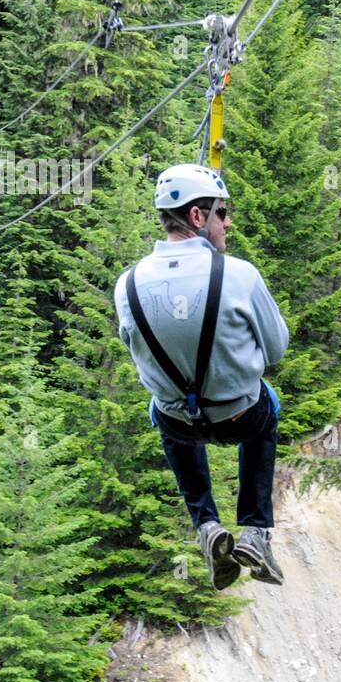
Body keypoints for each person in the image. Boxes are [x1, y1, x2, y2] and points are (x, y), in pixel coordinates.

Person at [113, 163, 290, 590]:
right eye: (222, 213)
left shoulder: (128, 284)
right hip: (240, 416)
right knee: (266, 408)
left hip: (181, 424)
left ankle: (207, 525)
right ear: (198, 217)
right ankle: (255, 531)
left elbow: (133, 347)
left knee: (165, 413)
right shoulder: (239, 275)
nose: (227, 224)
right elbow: (277, 349)